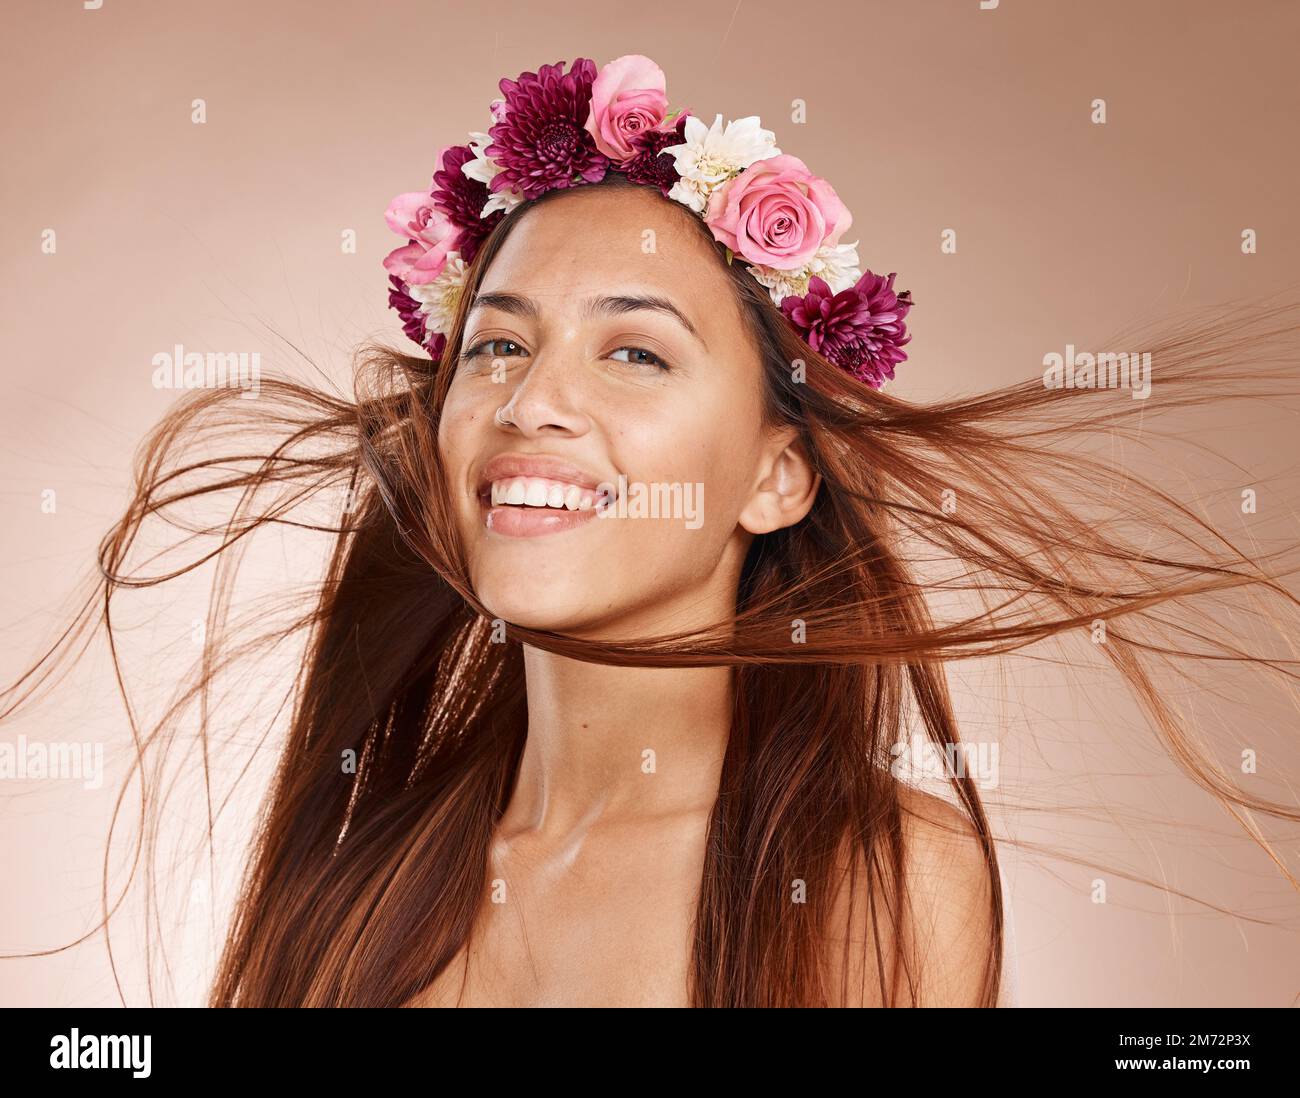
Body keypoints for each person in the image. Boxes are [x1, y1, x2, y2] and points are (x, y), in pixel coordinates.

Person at [3, 54, 1296, 1008]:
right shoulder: (364, 882)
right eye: (498, 343)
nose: (532, 401)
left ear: (777, 477)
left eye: (634, 350)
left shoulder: (871, 876)